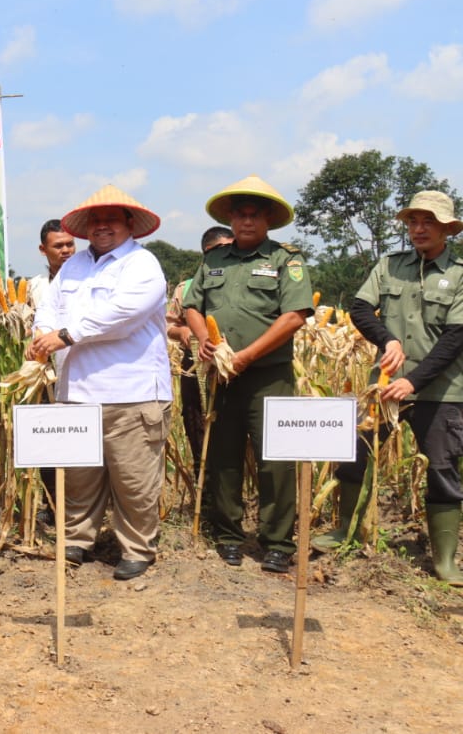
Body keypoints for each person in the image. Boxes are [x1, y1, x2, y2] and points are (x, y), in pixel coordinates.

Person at [317, 191, 463, 584]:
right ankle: (345, 529)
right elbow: (362, 309)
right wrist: (388, 340)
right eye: (413, 221)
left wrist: (412, 381)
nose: (418, 228)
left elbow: (455, 338)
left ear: (447, 228)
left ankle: (444, 559)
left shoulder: (462, 272)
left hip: (441, 391)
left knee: (442, 468)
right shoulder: (389, 265)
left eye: (428, 221)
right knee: (354, 453)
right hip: (381, 386)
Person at [28, 186, 172, 581]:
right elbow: (49, 308)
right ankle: (77, 538)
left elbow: (125, 313)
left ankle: (137, 547)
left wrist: (67, 334)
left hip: (133, 390)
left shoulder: (143, 265)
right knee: (78, 474)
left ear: (130, 224)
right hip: (76, 391)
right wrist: (42, 335)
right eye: (95, 220)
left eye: (112, 219)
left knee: (134, 478)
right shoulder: (74, 267)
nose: (102, 225)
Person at [184, 175, 313, 574]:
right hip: (222, 375)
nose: (246, 222)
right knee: (223, 455)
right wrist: (205, 340)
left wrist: (247, 356)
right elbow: (192, 305)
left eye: (255, 215)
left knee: (275, 458)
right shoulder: (213, 260)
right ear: (232, 220)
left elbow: (294, 316)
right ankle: (228, 536)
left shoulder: (285, 260)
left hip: (267, 376)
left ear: (269, 220)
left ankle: (277, 541)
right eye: (240, 215)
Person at [167, 226, 233, 484]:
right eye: (217, 250)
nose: (224, 255)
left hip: (232, 365)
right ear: (205, 254)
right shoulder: (186, 289)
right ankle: (203, 492)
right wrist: (182, 330)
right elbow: (168, 325)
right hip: (195, 364)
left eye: (229, 248)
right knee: (196, 423)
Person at [30, 218, 77, 526]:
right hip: (45, 379)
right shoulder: (34, 287)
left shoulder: (86, 279)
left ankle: (80, 509)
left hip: (81, 375)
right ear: (43, 250)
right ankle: (52, 504)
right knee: (49, 444)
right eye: (58, 246)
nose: (66, 250)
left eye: (70, 244)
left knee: (81, 444)